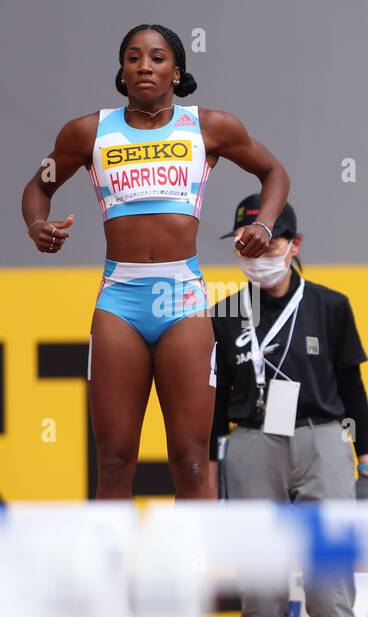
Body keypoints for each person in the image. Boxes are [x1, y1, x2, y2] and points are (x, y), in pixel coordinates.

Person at [19, 23, 290, 500]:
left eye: (158, 58)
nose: (145, 65)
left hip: (181, 297)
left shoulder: (208, 127)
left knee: (190, 459)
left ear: (176, 71)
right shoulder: (88, 132)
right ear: (121, 72)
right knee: (114, 459)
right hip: (120, 297)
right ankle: (112, 574)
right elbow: (39, 186)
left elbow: (274, 173)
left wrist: (264, 226)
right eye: (134, 57)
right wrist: (37, 225)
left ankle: (196, 574)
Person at [209, 196, 368, 617]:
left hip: (322, 438)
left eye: (269, 243)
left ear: (294, 244)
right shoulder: (226, 313)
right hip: (252, 441)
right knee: (260, 596)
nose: (259, 255)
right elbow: (213, 405)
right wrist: (212, 468)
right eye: (247, 246)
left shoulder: (330, 306)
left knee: (332, 592)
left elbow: (353, 390)